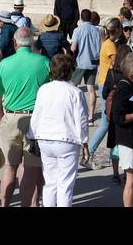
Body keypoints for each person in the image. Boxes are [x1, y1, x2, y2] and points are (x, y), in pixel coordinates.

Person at [0, 26, 51, 207]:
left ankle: (5, 204)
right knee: (31, 170)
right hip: (35, 120)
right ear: (32, 42)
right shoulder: (43, 61)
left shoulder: (4, 64)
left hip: (10, 117)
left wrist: (1, 118)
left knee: (9, 168)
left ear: (14, 43)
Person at [27, 53, 89, 207]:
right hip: (67, 139)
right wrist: (84, 141)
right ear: (70, 71)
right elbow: (81, 119)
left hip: (45, 138)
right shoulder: (75, 92)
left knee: (50, 182)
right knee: (65, 185)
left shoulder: (44, 89)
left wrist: (31, 135)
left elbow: (37, 114)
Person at [108, 52, 133, 207]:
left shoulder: (130, 85)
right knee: (132, 179)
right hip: (127, 138)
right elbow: (118, 117)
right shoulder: (124, 88)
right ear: (132, 72)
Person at [69, 8, 101, 118]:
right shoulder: (97, 30)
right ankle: (91, 116)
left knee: (73, 87)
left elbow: (73, 48)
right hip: (93, 62)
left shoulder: (77, 30)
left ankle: (74, 113)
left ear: (81, 18)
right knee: (91, 89)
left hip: (80, 62)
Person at [96, 17, 128, 97]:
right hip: (108, 82)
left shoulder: (106, 42)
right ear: (118, 30)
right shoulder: (110, 45)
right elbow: (115, 65)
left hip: (103, 80)